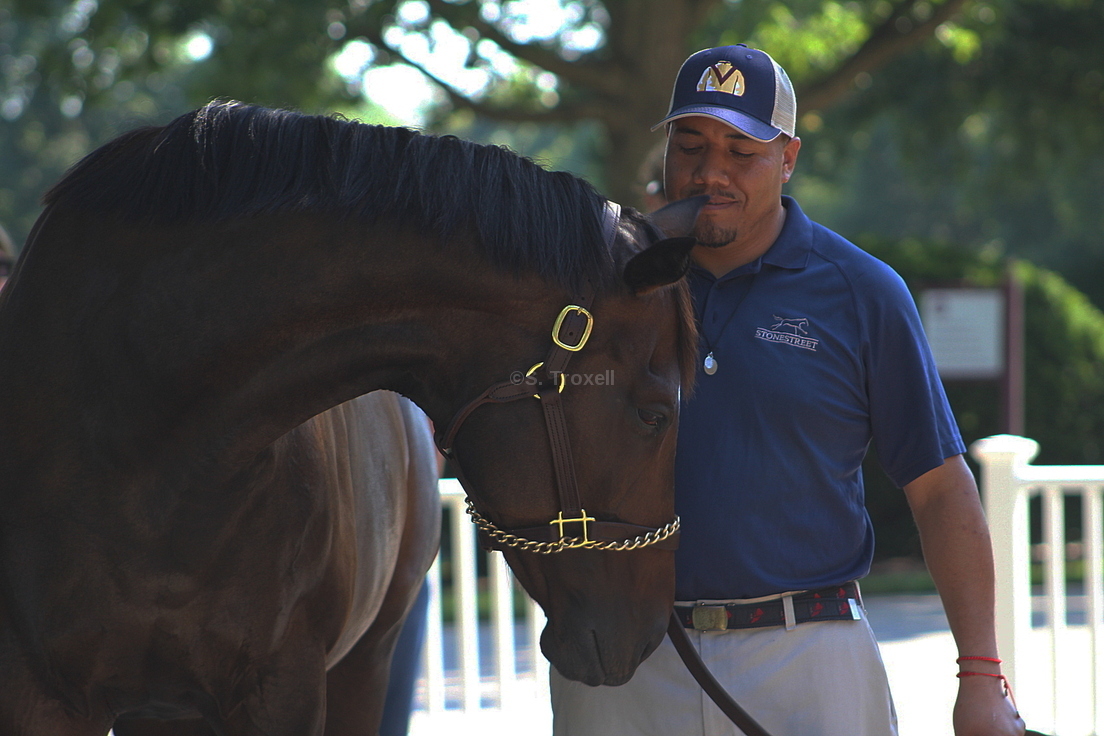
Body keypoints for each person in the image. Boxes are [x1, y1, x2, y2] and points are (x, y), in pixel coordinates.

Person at [550, 45, 1026, 736]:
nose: (709, 172)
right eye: (690, 145)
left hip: (809, 657)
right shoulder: (596, 285)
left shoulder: (863, 293)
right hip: (622, 662)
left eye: (741, 150)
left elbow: (941, 488)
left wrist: (980, 676)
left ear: (789, 158)